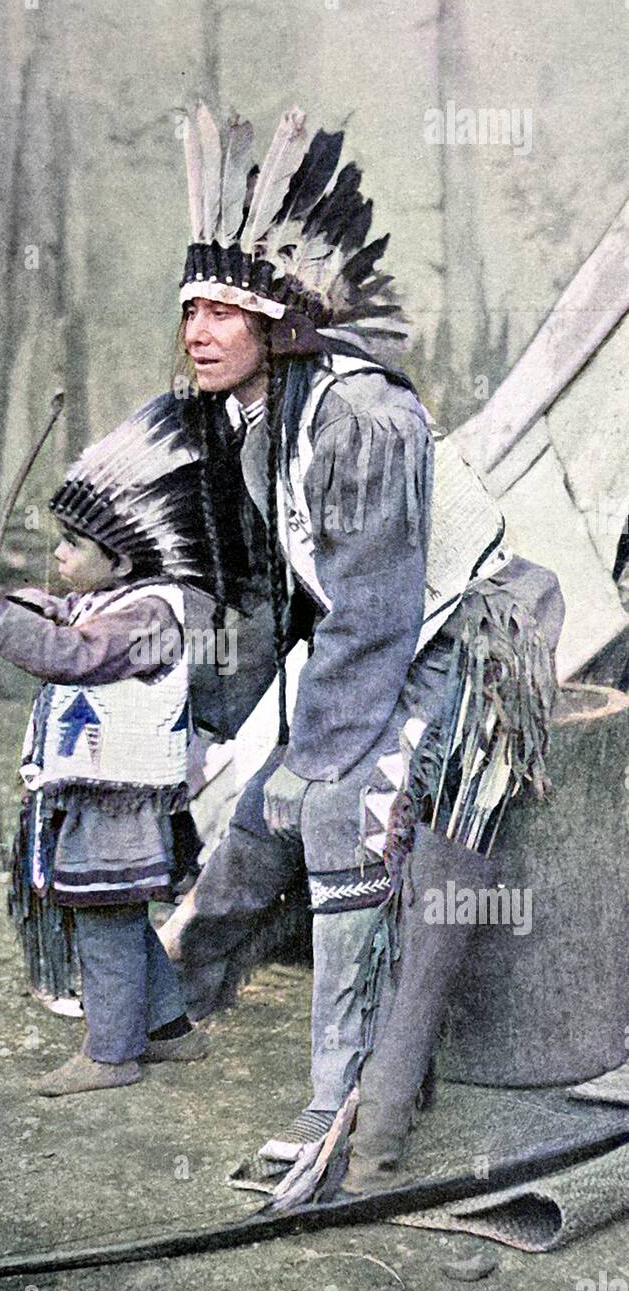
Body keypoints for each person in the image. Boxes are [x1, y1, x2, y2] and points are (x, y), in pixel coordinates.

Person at [110, 102, 564, 1190]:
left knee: (337, 814)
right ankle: (172, 1000)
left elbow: (370, 617)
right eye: (190, 312)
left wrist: (320, 763)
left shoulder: (361, 418)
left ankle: (348, 1109)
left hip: (474, 639)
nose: (200, 333)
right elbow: (286, 599)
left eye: (225, 312)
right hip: (384, 637)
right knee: (262, 797)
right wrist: (213, 726)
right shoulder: (257, 418)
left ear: (280, 322)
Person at [0, 403, 213, 1095]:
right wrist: (17, 604)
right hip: (107, 798)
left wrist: (6, 622)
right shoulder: (116, 600)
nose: (58, 556)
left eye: (72, 545)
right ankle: (167, 1031)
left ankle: (111, 1054)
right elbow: (66, 616)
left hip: (120, 803)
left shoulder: (148, 615)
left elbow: (74, 654)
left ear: (123, 558)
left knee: (104, 915)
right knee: (117, 911)